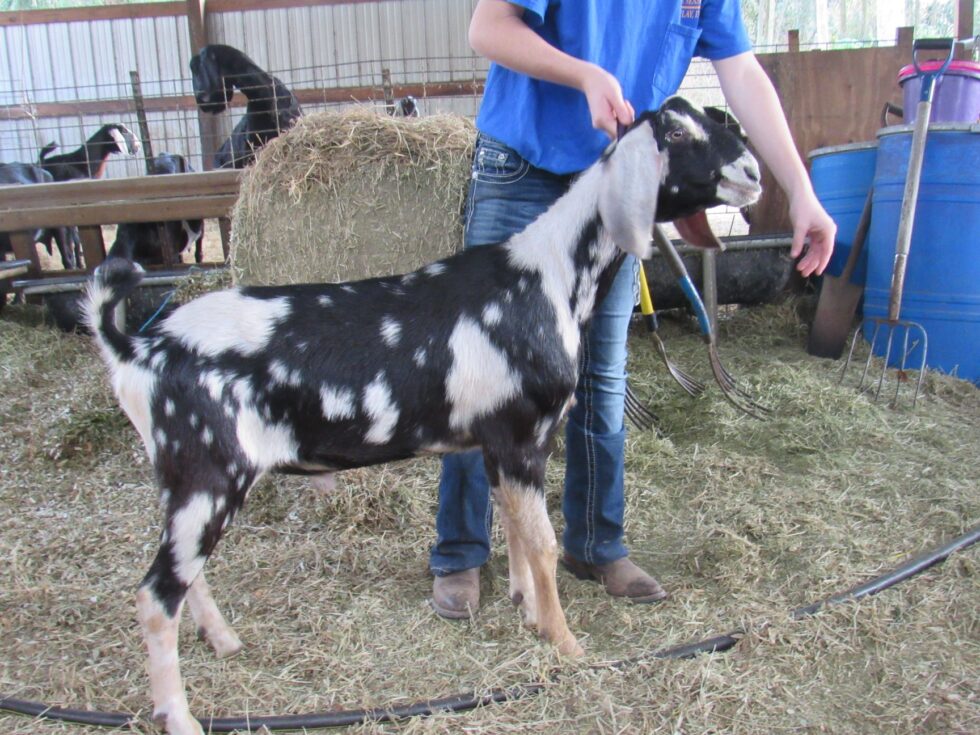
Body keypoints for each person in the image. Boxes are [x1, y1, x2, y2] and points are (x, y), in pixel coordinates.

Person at [430, 0, 837, 618]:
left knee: (601, 372)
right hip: (525, 169)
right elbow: (488, 27)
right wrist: (585, 75)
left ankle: (595, 544)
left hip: (620, 177)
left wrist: (801, 190)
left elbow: (742, 71)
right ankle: (461, 554)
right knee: (486, 372)